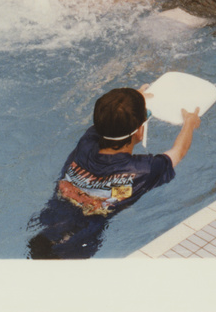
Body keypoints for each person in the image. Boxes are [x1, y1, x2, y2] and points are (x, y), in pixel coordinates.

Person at [28, 87, 200, 259]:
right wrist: (190, 123)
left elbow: (107, 122)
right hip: (81, 243)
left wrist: (131, 99)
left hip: (46, 227)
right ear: (140, 131)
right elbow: (179, 151)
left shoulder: (87, 141)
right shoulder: (143, 169)